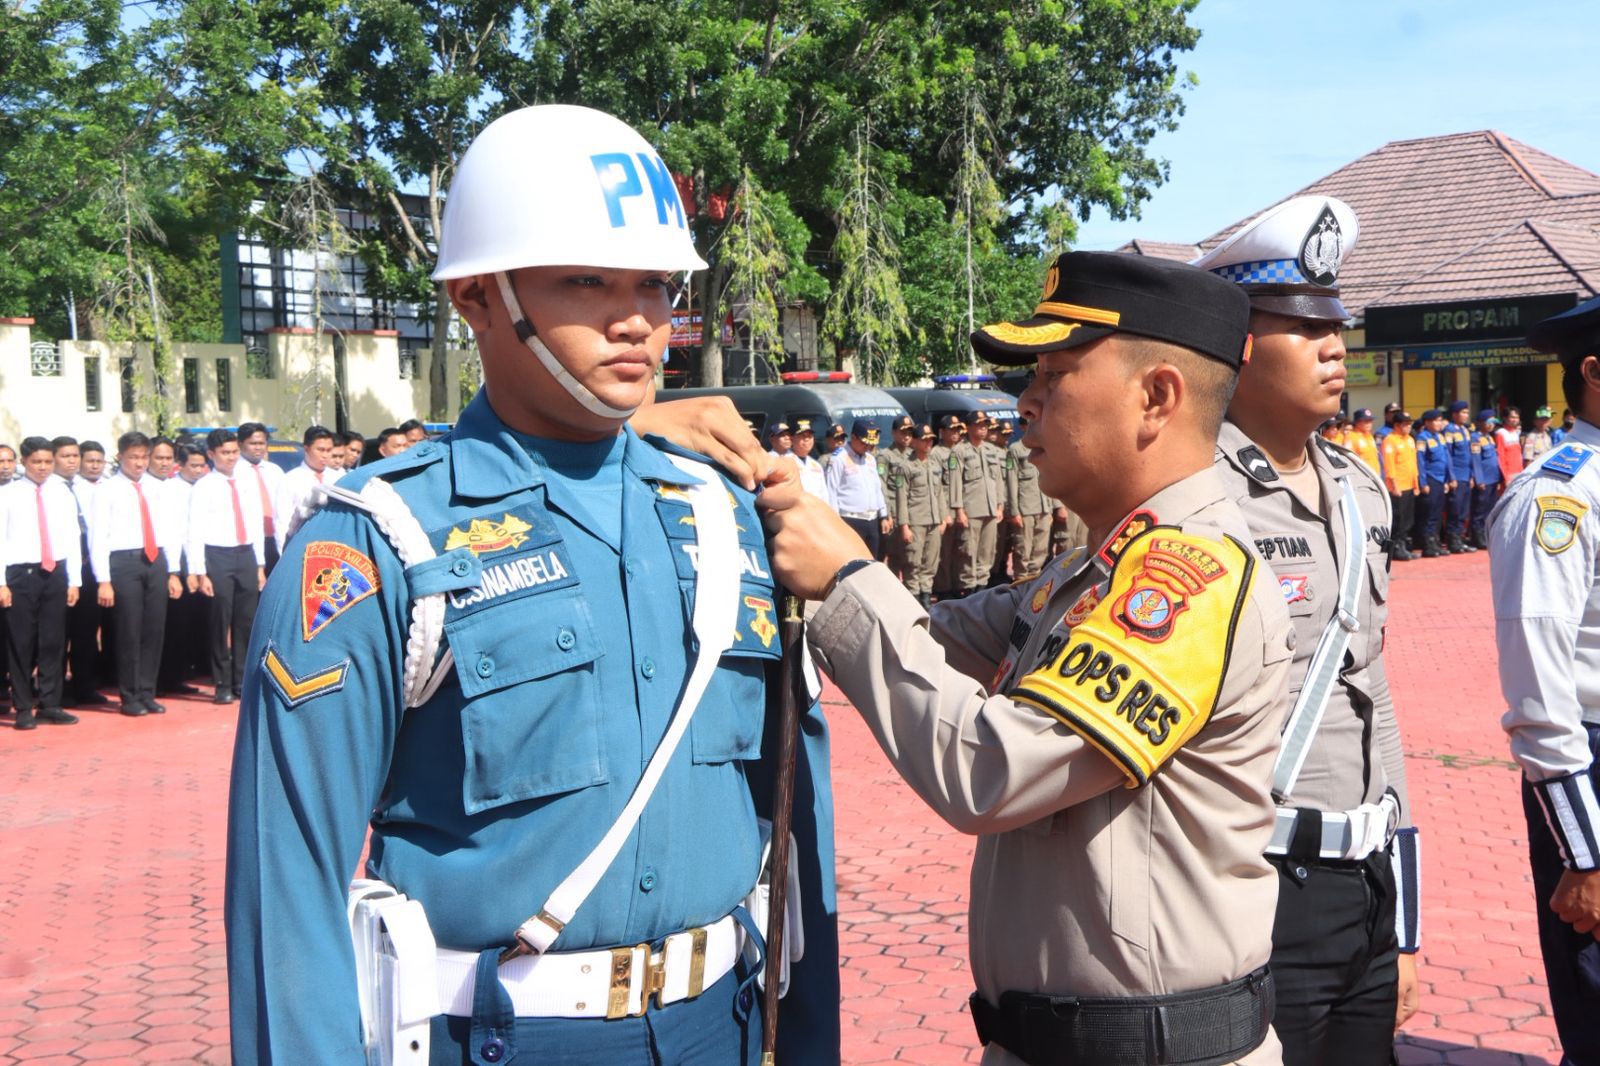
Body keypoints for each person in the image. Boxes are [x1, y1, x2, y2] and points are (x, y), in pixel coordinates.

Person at [226, 103, 838, 1066]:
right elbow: (288, 885)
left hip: (717, 1023)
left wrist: (807, 1043)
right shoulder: (378, 542)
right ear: (478, 297)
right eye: (587, 281)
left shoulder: (722, 517)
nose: (636, 319)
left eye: (654, 283)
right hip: (505, 1037)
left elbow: (797, 818)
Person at [762, 250, 1291, 1065]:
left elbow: (990, 770)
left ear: (1157, 397)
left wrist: (844, 581)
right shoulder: (1092, 570)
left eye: (1054, 375)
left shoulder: (1189, 581)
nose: (1026, 404)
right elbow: (931, 633)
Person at [1194, 194, 1421, 1063]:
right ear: (1240, 347)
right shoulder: (1196, 498)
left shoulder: (1361, 488)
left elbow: (1374, 693)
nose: (1335, 348)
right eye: (1305, 328)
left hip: (1365, 885)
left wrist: (1406, 918)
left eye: (1336, 327)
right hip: (1256, 883)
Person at [1488, 292, 1600, 1066]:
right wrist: (1584, 853)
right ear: (1594, 371)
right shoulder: (1559, 495)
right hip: (1590, 765)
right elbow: (1539, 683)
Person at [90, 432, 182, 717]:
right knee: (129, 630)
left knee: (154, 629)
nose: (140, 463)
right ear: (120, 457)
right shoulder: (107, 489)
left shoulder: (158, 488)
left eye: (144, 457)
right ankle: (129, 695)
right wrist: (103, 580)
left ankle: (147, 691)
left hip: (155, 561)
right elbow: (98, 536)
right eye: (133, 457)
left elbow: (170, 530)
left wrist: (173, 571)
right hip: (124, 561)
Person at [0, 437, 82, 730]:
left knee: (53, 641)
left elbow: (72, 536)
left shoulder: (61, 493)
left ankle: (50, 704)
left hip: (55, 572)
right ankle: (23, 706)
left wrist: (74, 580)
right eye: (37, 462)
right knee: (21, 642)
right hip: (21, 575)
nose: (43, 467)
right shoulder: (8, 495)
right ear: (23, 462)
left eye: (48, 461)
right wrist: (1, 583)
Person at [186, 429, 267, 704]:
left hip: (245, 554)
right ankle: (221, 681)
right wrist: (200, 571)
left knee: (245, 620)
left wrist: (259, 565)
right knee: (220, 620)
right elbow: (194, 530)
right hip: (217, 555)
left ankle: (241, 679)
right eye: (225, 453)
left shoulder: (246, 481)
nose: (231, 457)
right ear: (211, 454)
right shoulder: (204, 486)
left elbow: (255, 523)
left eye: (234, 452)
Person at [156, 443, 209, 696]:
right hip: (177, 558)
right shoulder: (171, 489)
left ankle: (189, 669)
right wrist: (176, 570)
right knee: (175, 620)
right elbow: (175, 531)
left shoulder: (207, 486)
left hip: (202, 557)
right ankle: (167, 677)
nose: (198, 470)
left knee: (196, 620)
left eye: (202, 465)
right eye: (193, 466)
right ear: (181, 465)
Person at [890, 422, 948, 608]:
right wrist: (904, 526)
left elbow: (940, 493)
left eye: (931, 440)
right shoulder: (905, 467)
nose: (928, 443)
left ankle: (926, 602)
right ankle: (913, 605)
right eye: (924, 440)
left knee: (930, 564)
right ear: (914, 442)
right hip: (915, 522)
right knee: (913, 565)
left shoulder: (934, 465)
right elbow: (901, 498)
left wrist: (943, 517)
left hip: (934, 521)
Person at [952, 413, 1006, 596]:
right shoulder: (959, 451)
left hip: (990, 509)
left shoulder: (991, 450)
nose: (983, 428)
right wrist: (959, 510)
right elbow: (955, 482)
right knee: (968, 553)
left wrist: (999, 505)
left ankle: (981, 589)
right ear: (968, 427)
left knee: (987, 552)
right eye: (979, 425)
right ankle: (968, 591)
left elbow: (998, 479)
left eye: (985, 425)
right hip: (971, 509)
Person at [824, 419, 890, 557]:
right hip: (850, 519)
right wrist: (836, 522)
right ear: (853, 437)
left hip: (872, 519)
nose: (867, 447)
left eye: (870, 444)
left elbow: (877, 489)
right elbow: (831, 491)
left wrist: (883, 515)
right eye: (864, 443)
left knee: (872, 562)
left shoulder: (870, 459)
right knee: (853, 561)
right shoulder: (839, 458)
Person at [272, 424, 341, 551]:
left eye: (329, 450)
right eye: (320, 450)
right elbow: (282, 522)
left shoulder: (338, 478)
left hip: (334, 545)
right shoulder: (290, 480)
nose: (325, 455)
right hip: (302, 545)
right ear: (307, 449)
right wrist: (284, 554)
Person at [1003, 417, 1053, 582]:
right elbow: (1011, 482)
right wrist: (1014, 511)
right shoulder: (1015, 450)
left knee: (1040, 550)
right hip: (1025, 508)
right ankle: (1021, 583)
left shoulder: (1043, 448)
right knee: (1022, 550)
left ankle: (1034, 583)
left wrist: (1049, 508)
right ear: (1023, 427)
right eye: (1029, 423)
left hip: (1043, 507)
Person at [236, 422, 284, 573]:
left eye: (261, 443)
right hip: (247, 542)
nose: (258, 447)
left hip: (275, 537)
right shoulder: (234, 473)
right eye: (253, 443)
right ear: (240, 444)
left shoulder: (275, 471)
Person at [931, 415, 966, 600]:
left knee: (959, 550)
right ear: (942, 432)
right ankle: (943, 588)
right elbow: (937, 486)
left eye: (957, 429)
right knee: (944, 551)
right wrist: (944, 513)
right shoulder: (937, 453)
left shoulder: (961, 450)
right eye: (951, 429)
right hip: (944, 506)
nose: (955, 433)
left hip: (960, 506)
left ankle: (956, 584)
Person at [1413, 409, 1453, 557]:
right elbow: (1420, 462)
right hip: (1431, 478)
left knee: (1437, 513)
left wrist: (1448, 479)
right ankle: (1427, 544)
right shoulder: (1422, 438)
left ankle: (1435, 541)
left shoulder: (1440, 437)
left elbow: (1445, 459)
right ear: (1427, 422)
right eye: (1436, 420)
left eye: (1440, 420)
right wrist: (1423, 482)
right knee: (1429, 513)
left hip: (1441, 479)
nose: (1439, 423)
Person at [1439, 400, 1477, 553]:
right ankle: (1453, 540)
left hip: (1466, 475)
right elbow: (1447, 454)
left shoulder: (1465, 430)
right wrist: (1451, 477)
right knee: (1454, 509)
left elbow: (1469, 455)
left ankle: (1461, 538)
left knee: (1463, 510)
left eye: (1467, 412)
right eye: (1463, 412)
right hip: (1456, 475)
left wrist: (1472, 476)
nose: (1466, 415)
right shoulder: (1449, 430)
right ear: (1454, 414)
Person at [1381, 413, 1419, 562]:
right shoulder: (1390, 440)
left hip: (1409, 484)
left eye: (1410, 424)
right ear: (1396, 425)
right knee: (1399, 519)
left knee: (1408, 519)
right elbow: (1389, 465)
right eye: (1405, 424)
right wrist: (1394, 485)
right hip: (1398, 486)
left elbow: (1413, 464)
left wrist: (1416, 484)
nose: (1408, 427)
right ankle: (1396, 547)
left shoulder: (1410, 440)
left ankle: (1404, 545)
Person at [880, 415, 914, 577]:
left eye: (909, 433)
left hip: (911, 510)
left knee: (911, 554)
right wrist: (887, 513)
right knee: (894, 555)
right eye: (903, 432)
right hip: (894, 510)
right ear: (894, 433)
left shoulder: (913, 455)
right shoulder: (885, 456)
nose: (906, 436)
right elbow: (882, 485)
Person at [1469, 409, 1503, 549]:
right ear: (1481, 422)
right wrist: (1479, 479)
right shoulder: (1475, 438)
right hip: (1484, 480)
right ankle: (1477, 537)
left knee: (1489, 509)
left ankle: (1486, 535)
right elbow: (1476, 460)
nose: (1491, 425)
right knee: (1479, 510)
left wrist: (1499, 478)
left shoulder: (1490, 437)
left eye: (1493, 423)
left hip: (1493, 478)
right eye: (1488, 422)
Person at [789, 418, 828, 502]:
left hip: (817, 508)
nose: (807, 439)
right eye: (802, 436)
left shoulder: (816, 465)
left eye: (810, 436)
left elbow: (824, 494)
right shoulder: (785, 462)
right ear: (792, 439)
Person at [1345, 408, 1380, 475]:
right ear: (1357, 422)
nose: (1369, 424)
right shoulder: (1351, 437)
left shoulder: (1369, 436)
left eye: (1370, 421)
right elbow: (1349, 459)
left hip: (1375, 475)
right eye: (1366, 421)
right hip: (1362, 476)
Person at [1496, 407, 1525, 484]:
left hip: (1518, 472)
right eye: (1512, 417)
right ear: (1505, 418)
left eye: (1517, 417)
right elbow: (1501, 456)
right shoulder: (1501, 433)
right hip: (1508, 475)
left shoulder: (1515, 433)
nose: (1515, 420)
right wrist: (1505, 477)